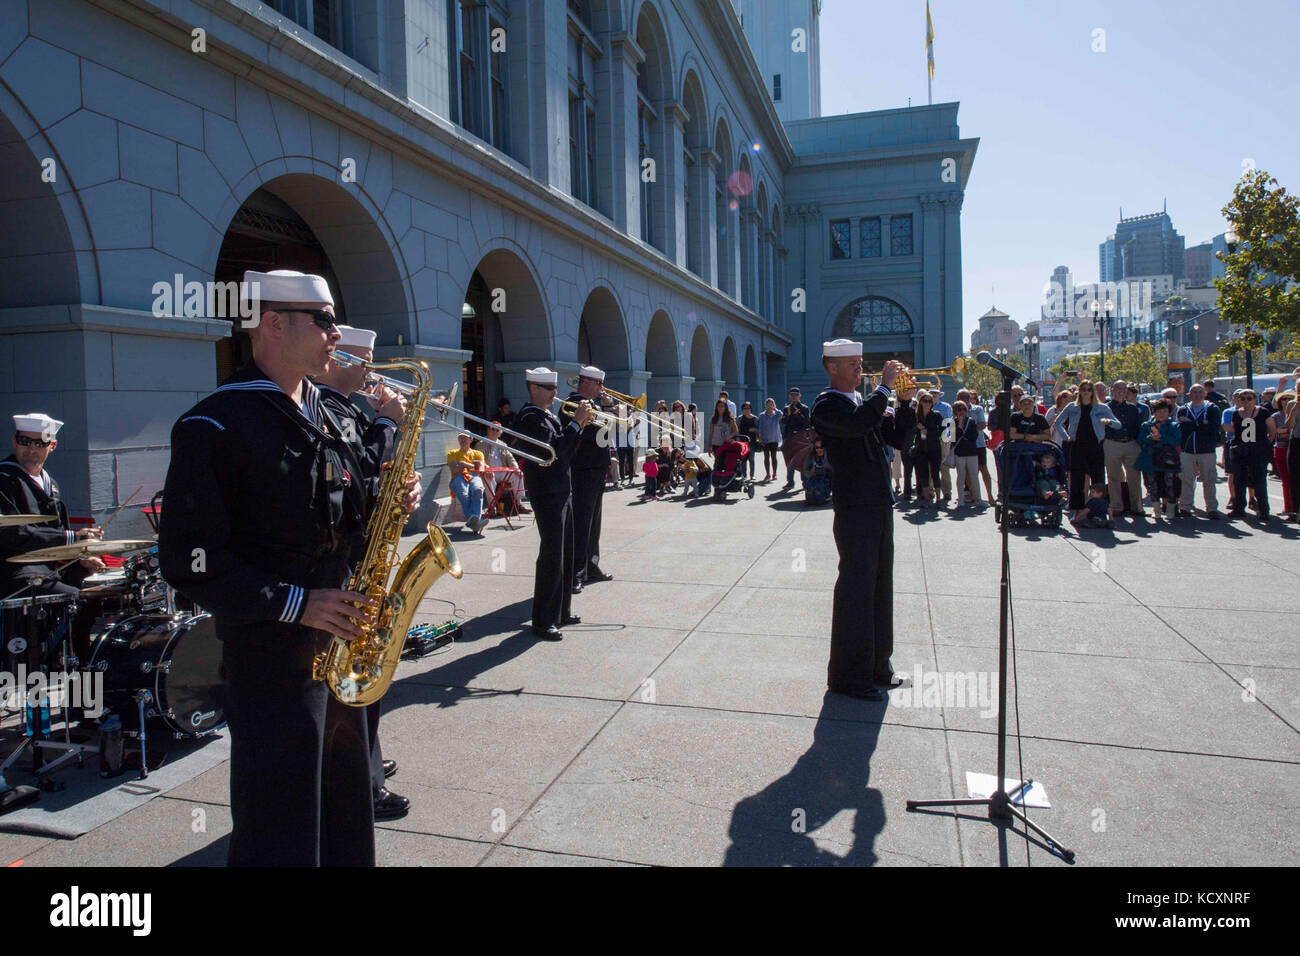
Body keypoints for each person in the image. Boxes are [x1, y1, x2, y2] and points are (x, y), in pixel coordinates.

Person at [158, 268, 383, 867]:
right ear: (273, 323)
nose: (337, 334)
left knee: (345, 801)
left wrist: (390, 499)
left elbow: (346, 512)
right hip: (272, 656)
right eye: (325, 320)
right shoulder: (215, 425)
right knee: (280, 821)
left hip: (343, 641)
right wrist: (296, 602)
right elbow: (188, 561)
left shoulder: (333, 412)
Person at [314, 325, 413, 824]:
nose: (373, 370)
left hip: (361, 554)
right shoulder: (329, 409)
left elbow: (372, 479)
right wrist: (388, 424)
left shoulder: (348, 408)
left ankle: (368, 761)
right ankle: (361, 785)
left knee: (369, 667)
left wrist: (402, 491)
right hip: (345, 559)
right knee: (352, 675)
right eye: (365, 359)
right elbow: (360, 472)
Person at [810, 341, 915, 702]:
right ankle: (848, 677)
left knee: (879, 585)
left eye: (860, 363)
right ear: (832, 368)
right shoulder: (827, 404)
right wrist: (884, 388)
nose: (859, 369)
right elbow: (857, 426)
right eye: (851, 364)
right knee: (856, 589)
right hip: (854, 507)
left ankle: (877, 665)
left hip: (879, 504)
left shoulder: (861, 403)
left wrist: (904, 402)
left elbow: (898, 438)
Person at [513, 367, 593, 639]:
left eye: (555, 388)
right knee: (552, 555)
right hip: (547, 492)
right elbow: (552, 456)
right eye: (550, 389)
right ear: (534, 388)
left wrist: (578, 427)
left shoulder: (546, 416)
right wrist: (574, 424)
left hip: (562, 489)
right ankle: (543, 620)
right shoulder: (530, 419)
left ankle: (561, 612)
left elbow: (566, 452)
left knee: (566, 553)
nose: (555, 394)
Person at [0, 413, 105, 597]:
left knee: (105, 596)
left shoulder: (51, 485)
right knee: (78, 600)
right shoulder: (4, 479)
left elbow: (56, 542)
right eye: (25, 441)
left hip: (47, 573)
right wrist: (72, 538)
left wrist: (81, 561)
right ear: (15, 442)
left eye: (40, 443)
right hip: (14, 575)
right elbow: (12, 534)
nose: (31, 448)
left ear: (52, 446)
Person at [562, 366, 613, 592]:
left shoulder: (595, 406)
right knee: (581, 523)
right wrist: (610, 415)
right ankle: (576, 572)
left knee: (594, 523)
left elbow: (605, 439)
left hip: (597, 469)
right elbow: (595, 435)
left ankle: (592, 565)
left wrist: (611, 414)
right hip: (581, 469)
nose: (602, 389)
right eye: (598, 384)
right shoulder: (574, 405)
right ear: (586, 382)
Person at [1054, 380, 1110, 524]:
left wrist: (1108, 422)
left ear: (1093, 392)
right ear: (1080, 391)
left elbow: (1117, 423)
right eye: (1083, 389)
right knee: (1077, 481)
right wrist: (1067, 437)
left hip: (1095, 446)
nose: (1086, 392)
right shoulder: (1073, 407)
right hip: (1077, 446)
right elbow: (1057, 423)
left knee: (1098, 479)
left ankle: (1100, 512)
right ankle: (1077, 512)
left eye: (1089, 389)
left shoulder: (1100, 407)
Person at [1226, 389, 1276, 520]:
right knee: (1239, 481)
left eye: (1249, 398)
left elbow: (1272, 431)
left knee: (1259, 481)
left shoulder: (1263, 412)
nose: (1246, 401)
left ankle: (1264, 510)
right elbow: (1235, 431)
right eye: (1243, 398)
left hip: (1258, 450)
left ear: (1255, 399)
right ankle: (1238, 508)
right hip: (1241, 450)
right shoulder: (1236, 414)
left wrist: (1265, 446)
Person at [1175, 383, 1223, 519]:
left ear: (1205, 394)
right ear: (1189, 395)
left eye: (1200, 392)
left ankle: (1212, 508)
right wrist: (1200, 425)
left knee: (1209, 480)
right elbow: (1182, 428)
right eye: (1194, 392)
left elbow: (1213, 428)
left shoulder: (1212, 409)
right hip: (1187, 450)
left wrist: (1192, 424)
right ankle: (1185, 507)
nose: (1197, 394)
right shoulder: (1183, 409)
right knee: (1187, 480)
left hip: (1207, 450)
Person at [1104, 380, 1146, 518]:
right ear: (1112, 390)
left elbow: (1138, 427)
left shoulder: (1133, 408)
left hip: (1131, 444)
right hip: (1112, 443)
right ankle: (1117, 506)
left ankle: (1136, 507)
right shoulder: (1106, 408)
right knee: (1113, 477)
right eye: (1118, 388)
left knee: (1134, 477)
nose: (1121, 391)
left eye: (1124, 389)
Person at [1136, 399, 1183, 518]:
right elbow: (1140, 440)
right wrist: (1150, 437)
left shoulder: (1174, 425)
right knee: (1152, 484)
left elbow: (1176, 439)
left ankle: (1171, 509)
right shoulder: (1146, 425)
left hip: (1168, 460)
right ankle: (1156, 509)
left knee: (1170, 484)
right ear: (1154, 412)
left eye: (1165, 411)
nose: (1162, 414)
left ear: (1169, 413)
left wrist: (1161, 437)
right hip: (1150, 459)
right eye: (1159, 411)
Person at [483, 421, 528, 515]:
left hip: (502, 471)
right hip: (489, 472)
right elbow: (479, 459)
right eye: (492, 429)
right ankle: (492, 507)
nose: (494, 431)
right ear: (488, 430)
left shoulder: (503, 444)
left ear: (500, 433)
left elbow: (510, 458)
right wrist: (486, 469)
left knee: (518, 475)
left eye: (497, 430)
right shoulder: (481, 443)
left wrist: (516, 469)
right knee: (488, 478)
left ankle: (519, 503)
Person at [446, 432, 488, 534]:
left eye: (465, 438)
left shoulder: (478, 454)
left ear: (471, 439)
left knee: (478, 489)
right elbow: (454, 469)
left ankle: (474, 522)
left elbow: (480, 470)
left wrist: (464, 464)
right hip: (458, 477)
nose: (462, 440)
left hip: (474, 476)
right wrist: (472, 466)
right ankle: (476, 522)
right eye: (460, 438)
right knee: (464, 494)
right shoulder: (452, 453)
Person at [913, 392, 944, 506]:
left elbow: (942, 430)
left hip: (934, 447)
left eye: (929, 401)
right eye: (924, 401)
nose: (927, 403)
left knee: (936, 473)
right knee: (923, 473)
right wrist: (917, 428)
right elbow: (910, 431)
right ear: (920, 402)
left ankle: (938, 499)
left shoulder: (936, 415)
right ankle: (926, 498)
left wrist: (929, 431)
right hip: (921, 448)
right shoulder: (916, 415)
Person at [950, 400, 982, 506]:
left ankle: (978, 499)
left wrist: (964, 436)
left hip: (972, 452)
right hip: (960, 453)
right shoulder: (952, 423)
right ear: (955, 411)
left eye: (963, 409)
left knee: (974, 476)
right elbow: (954, 439)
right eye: (958, 410)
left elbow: (974, 436)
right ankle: (961, 499)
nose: (961, 412)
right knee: (961, 476)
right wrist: (959, 426)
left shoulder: (971, 421)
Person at [781, 387, 811, 490]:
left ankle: (805, 482)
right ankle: (790, 482)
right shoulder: (786, 408)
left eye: (796, 395)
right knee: (789, 459)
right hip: (789, 436)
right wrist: (788, 415)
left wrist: (797, 414)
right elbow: (783, 422)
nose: (794, 397)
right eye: (792, 395)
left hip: (800, 437)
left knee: (802, 459)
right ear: (789, 396)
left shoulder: (804, 408)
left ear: (799, 396)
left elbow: (807, 423)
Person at [1274, 392, 1296, 520]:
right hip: (1281, 449)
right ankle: (1288, 507)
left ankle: (1295, 507)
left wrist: (1284, 431)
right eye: (1284, 399)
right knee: (1286, 480)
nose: (1286, 401)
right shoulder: (1276, 416)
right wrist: (1285, 432)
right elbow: (1274, 432)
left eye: (1289, 398)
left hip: (1294, 448)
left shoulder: (1296, 412)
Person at [802, 436, 833, 505]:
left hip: (827, 479)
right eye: (817, 447)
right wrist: (811, 471)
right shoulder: (810, 456)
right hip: (814, 480)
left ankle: (826, 494)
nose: (819, 449)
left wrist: (825, 468)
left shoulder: (829, 455)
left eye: (821, 447)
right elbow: (805, 471)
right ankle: (813, 495)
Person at [758, 397, 782, 481]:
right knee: (766, 456)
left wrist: (775, 408)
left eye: (771, 404)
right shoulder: (762, 415)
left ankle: (774, 474)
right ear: (766, 405)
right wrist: (759, 437)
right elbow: (760, 427)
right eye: (768, 404)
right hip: (765, 439)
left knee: (774, 456)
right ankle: (767, 473)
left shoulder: (776, 415)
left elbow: (781, 415)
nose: (769, 406)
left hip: (774, 438)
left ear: (773, 405)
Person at [736, 401, 760, 480]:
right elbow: (737, 430)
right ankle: (744, 475)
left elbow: (759, 430)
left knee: (751, 459)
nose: (746, 410)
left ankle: (752, 475)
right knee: (743, 460)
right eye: (745, 408)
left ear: (751, 409)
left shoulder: (755, 419)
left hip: (752, 441)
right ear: (742, 409)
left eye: (748, 408)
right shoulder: (740, 418)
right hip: (742, 442)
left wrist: (755, 430)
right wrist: (737, 439)